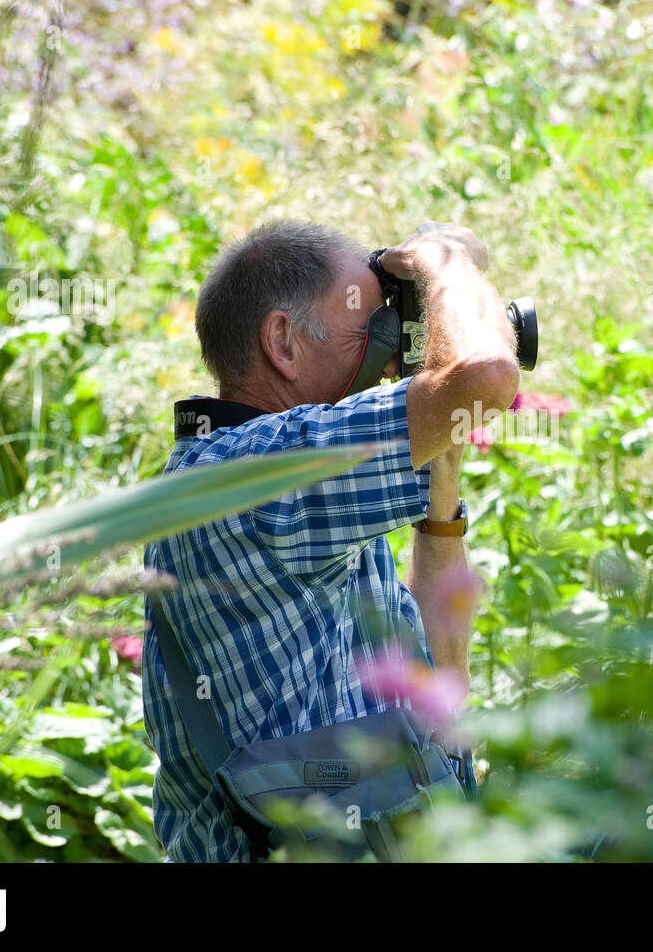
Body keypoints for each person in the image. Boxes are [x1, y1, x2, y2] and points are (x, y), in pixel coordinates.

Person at [143, 220, 519, 862]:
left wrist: (441, 473)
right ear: (283, 343)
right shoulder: (258, 475)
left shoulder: (289, 478)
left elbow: (440, 694)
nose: (384, 356)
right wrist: (448, 262)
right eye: (367, 330)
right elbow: (483, 377)